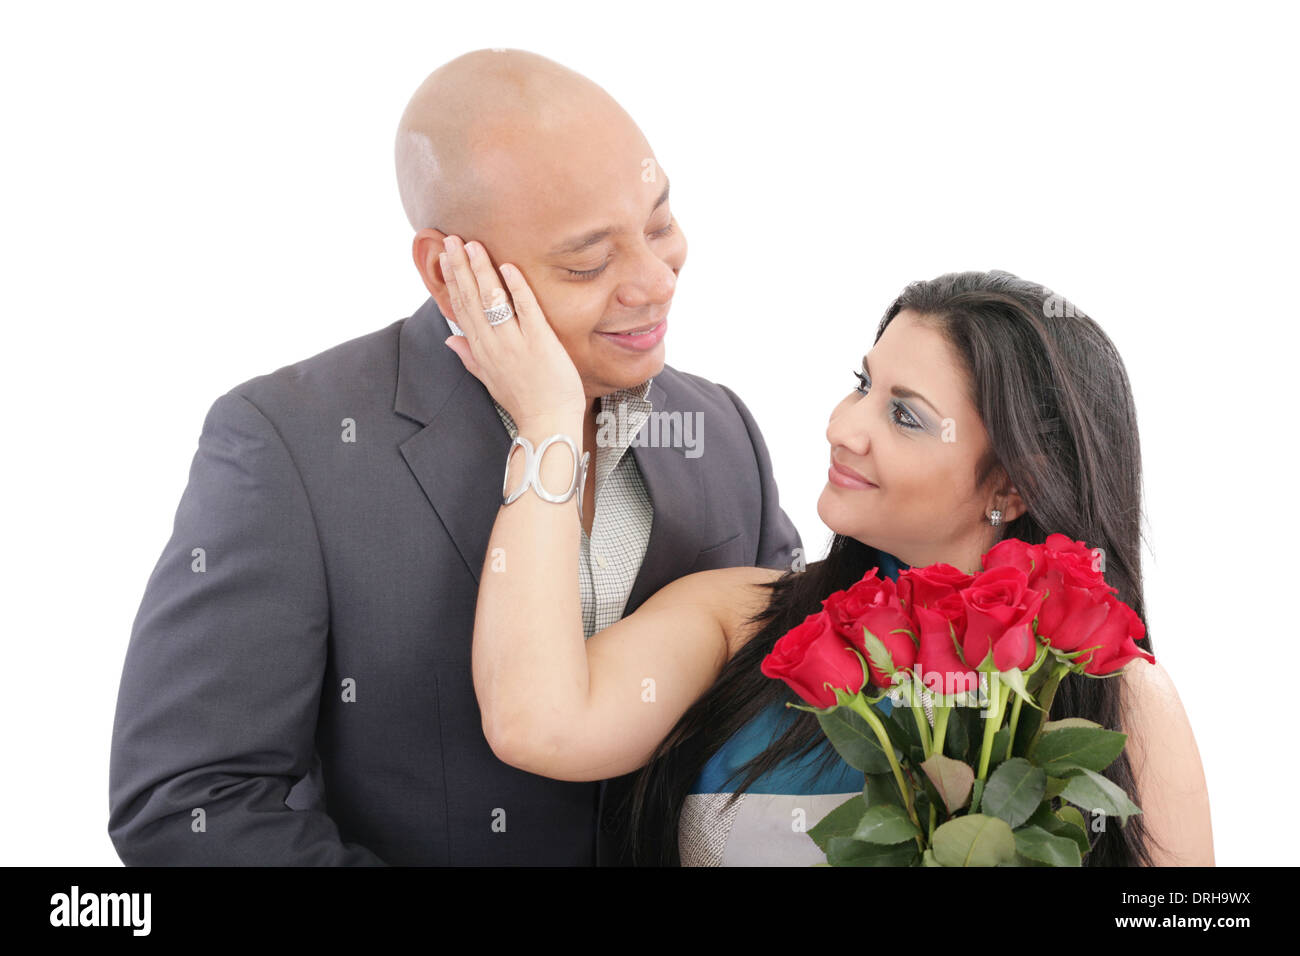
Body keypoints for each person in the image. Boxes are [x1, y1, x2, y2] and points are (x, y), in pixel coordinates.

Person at [106, 48, 801, 865]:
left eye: (658, 223)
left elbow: (786, 736)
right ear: (449, 269)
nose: (656, 280)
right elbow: (190, 800)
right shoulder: (288, 443)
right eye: (588, 261)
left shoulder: (721, 429)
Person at [445, 250, 1215, 867]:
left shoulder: (1120, 696)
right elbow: (534, 722)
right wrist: (548, 425)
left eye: (904, 415)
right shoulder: (737, 619)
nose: (843, 426)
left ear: (1013, 485)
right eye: (863, 384)